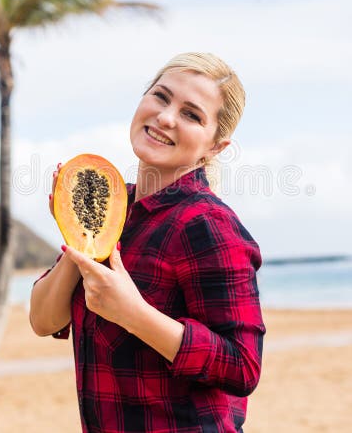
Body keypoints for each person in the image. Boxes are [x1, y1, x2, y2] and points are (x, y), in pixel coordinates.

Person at [30, 53, 265, 432]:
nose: (166, 117)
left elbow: (243, 367)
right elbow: (43, 320)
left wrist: (132, 313)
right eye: (161, 96)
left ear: (215, 147)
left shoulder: (208, 225)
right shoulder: (114, 206)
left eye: (191, 115)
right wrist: (80, 228)